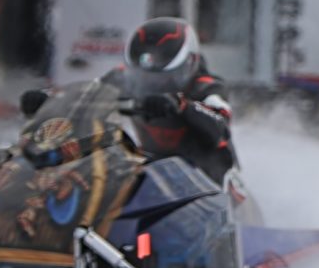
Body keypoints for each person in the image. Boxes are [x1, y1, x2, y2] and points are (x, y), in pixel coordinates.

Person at [20, 17, 237, 183]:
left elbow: (219, 127)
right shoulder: (123, 78)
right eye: (144, 78)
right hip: (155, 173)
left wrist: (181, 105)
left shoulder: (208, 86)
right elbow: (88, 94)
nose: (152, 85)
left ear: (188, 64)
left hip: (210, 182)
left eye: (163, 79)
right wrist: (49, 100)